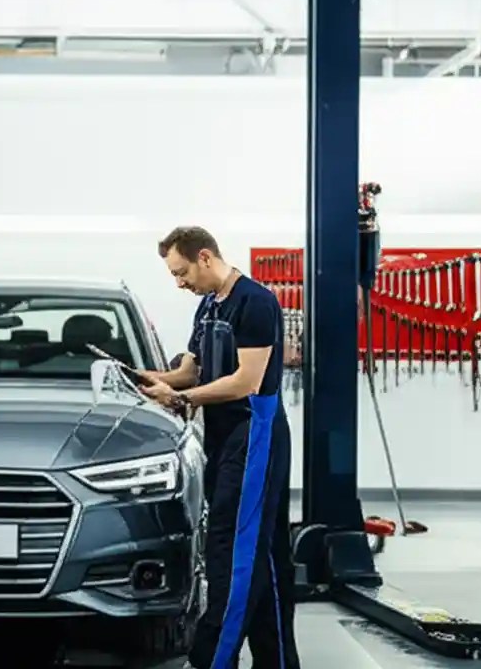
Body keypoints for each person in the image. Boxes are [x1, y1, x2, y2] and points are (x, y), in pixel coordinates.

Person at [140, 226, 300, 669]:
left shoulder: (257, 302)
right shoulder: (209, 307)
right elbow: (192, 372)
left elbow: (246, 381)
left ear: (205, 257)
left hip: (255, 436)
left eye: (181, 272)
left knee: (233, 550)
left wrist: (180, 399)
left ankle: (213, 657)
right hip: (224, 438)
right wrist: (146, 378)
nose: (179, 283)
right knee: (264, 554)